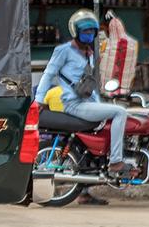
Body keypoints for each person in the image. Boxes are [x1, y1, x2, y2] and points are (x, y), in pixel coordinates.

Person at [36, 9, 132, 177]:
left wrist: (101, 103)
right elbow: (48, 74)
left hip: (87, 103)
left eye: (92, 31)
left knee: (116, 113)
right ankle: (116, 161)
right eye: (85, 31)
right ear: (76, 32)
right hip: (74, 105)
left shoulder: (88, 53)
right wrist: (39, 100)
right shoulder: (63, 51)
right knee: (120, 112)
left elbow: (88, 85)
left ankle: (98, 170)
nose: (89, 34)